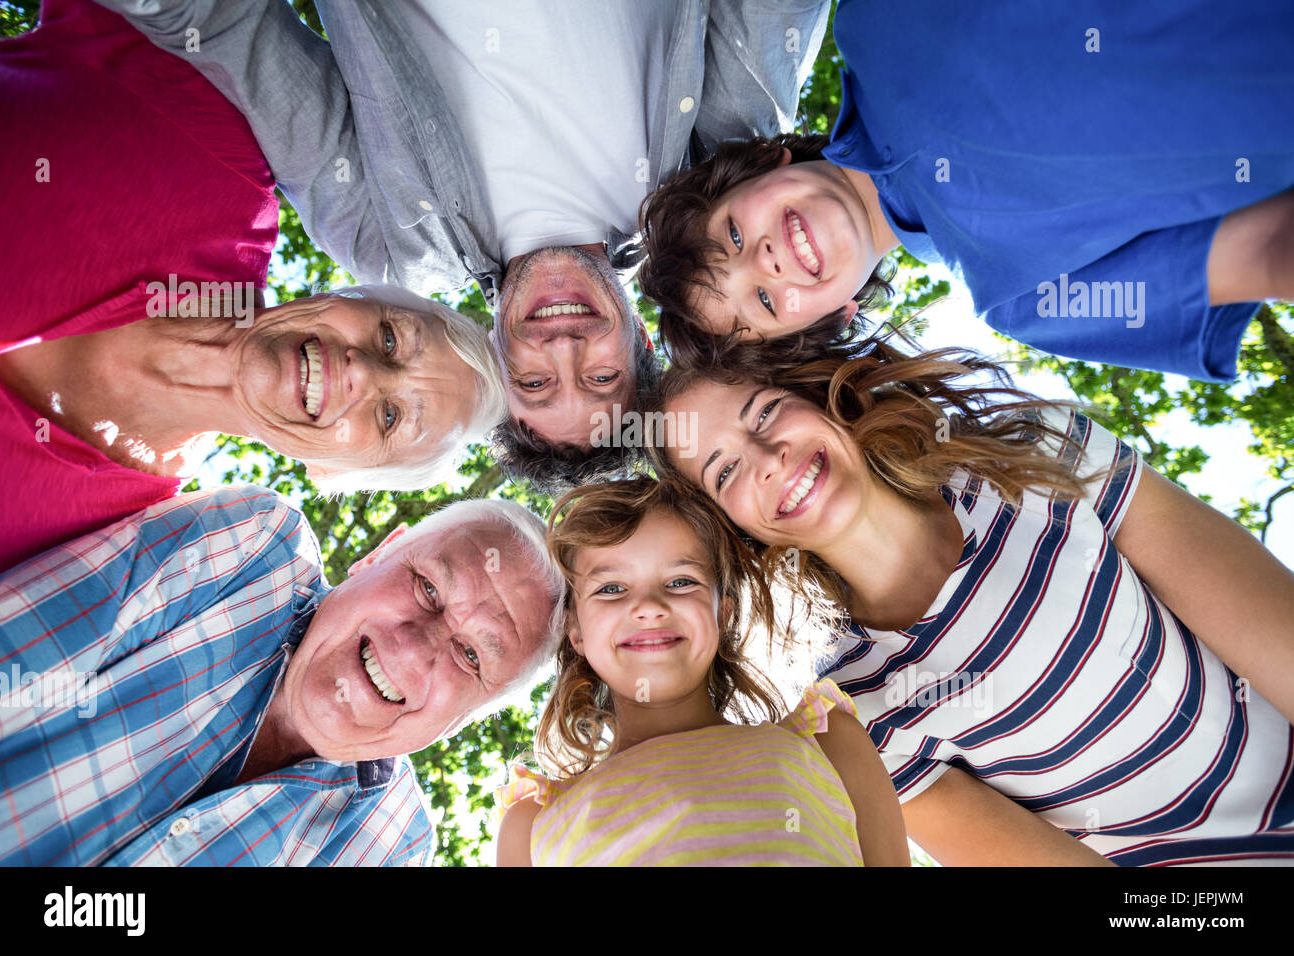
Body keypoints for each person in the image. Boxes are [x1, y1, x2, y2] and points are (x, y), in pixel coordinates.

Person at [93, 0, 831, 489]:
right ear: (640, 333)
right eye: (602, 379)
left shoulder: (389, 240)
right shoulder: (711, 197)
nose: (564, 347)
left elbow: (233, 30)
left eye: (537, 384)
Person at [652, 340, 1294, 865]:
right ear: (737, 531)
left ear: (821, 395)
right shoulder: (857, 712)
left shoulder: (1037, 455)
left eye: (764, 413)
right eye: (725, 471)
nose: (768, 459)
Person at [0, 0, 505, 575]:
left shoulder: (94, 554)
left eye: (389, 418)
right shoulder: (216, 150)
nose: (361, 371)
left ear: (332, 474)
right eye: (390, 339)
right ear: (350, 292)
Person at [637, 0, 1294, 380]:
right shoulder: (1029, 301)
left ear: (760, 161)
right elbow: (1269, 252)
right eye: (761, 300)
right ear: (836, 319)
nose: (767, 261)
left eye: (732, 235)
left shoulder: (870, 24)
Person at [0, 485, 563, 865]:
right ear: (378, 552)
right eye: (429, 588)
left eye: (471, 657)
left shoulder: (390, 849)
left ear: (470, 719)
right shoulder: (253, 551)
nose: (414, 650)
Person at [494, 477, 909, 867]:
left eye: (680, 581)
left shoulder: (828, 741)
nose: (649, 606)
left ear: (723, 614)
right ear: (577, 632)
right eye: (611, 589)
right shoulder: (530, 827)